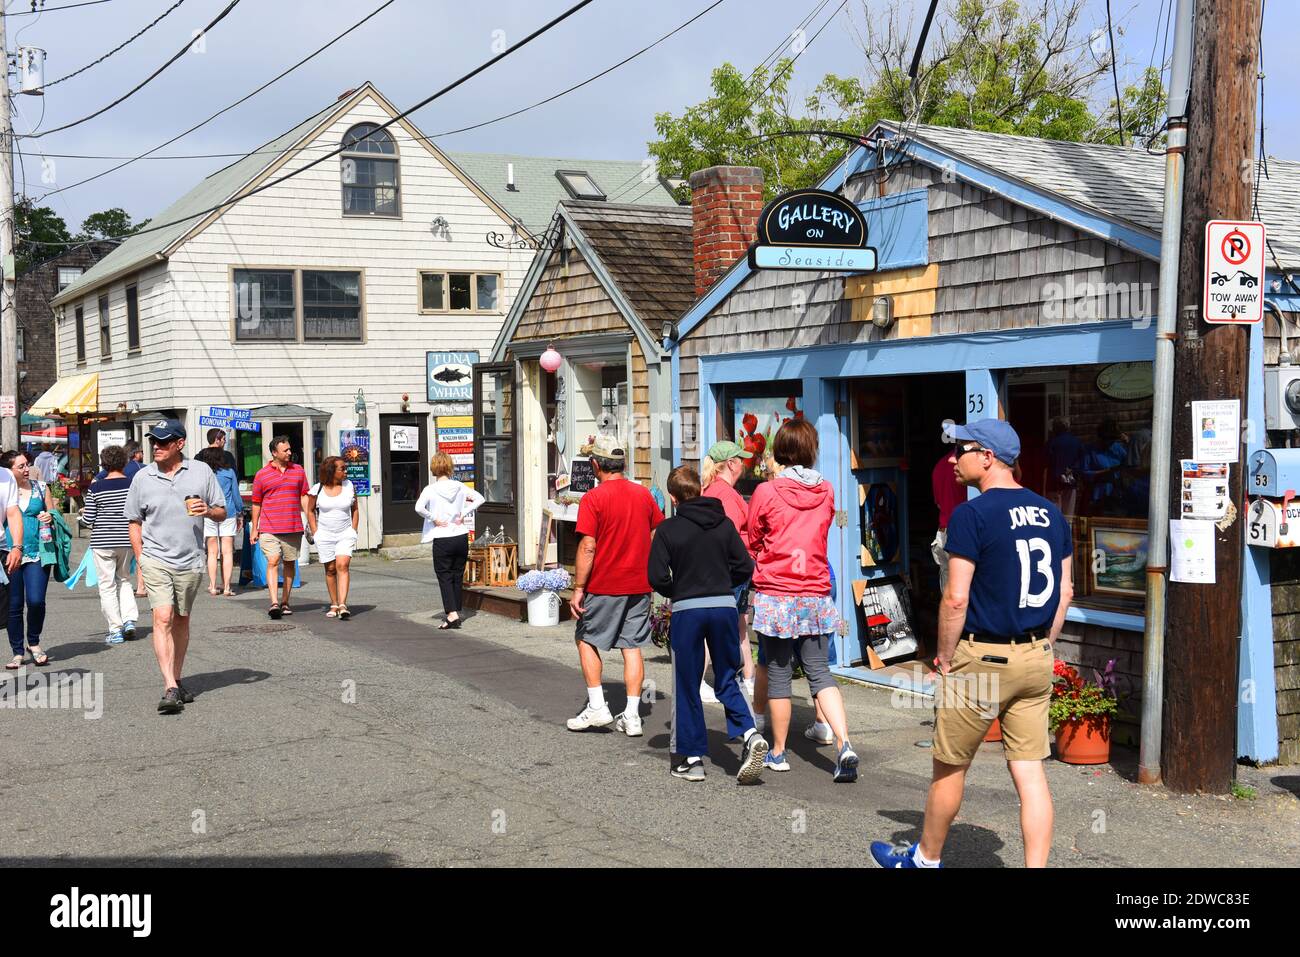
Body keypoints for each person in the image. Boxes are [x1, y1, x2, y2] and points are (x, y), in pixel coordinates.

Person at [871, 419, 1073, 869]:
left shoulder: (972, 514)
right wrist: (1043, 643)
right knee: (1030, 770)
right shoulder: (1052, 513)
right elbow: (1066, 592)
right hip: (1036, 656)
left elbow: (956, 596)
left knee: (949, 766)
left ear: (987, 456)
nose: (952, 458)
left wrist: (943, 657)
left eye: (961, 449)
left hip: (982, 659)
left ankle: (924, 859)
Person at [747, 418, 858, 782]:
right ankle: (844, 744)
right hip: (814, 590)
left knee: (778, 673)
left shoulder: (766, 492)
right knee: (819, 672)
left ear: (779, 449)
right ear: (812, 451)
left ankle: (778, 752)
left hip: (777, 593)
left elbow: (754, 536)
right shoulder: (826, 490)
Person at [649, 465, 767, 783]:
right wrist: (723, 585)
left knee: (687, 682)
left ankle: (690, 760)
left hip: (689, 609)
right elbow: (745, 566)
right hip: (724, 607)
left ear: (673, 498)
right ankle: (750, 734)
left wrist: (679, 590)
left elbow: (656, 576)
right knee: (728, 676)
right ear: (701, 491)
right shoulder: (724, 524)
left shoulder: (668, 530)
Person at [124, 419, 227, 714]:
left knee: (181, 619)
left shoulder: (201, 472)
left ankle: (177, 678)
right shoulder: (143, 478)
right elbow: (134, 520)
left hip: (190, 560)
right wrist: (141, 556)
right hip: (155, 558)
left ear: (179, 444)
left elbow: (222, 511)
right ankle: (169, 685)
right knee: (163, 616)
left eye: (163, 441)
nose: (156, 446)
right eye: (153, 441)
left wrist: (207, 510)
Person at [566, 438, 664, 735]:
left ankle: (597, 706)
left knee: (585, 637)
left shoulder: (594, 498)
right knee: (631, 646)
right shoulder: (644, 495)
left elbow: (587, 546)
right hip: (638, 582)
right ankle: (632, 716)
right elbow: (655, 530)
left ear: (596, 465)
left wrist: (579, 587)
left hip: (605, 583)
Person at [700, 440, 756, 698]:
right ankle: (724, 683)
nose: (744, 465)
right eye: (740, 460)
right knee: (726, 628)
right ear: (731, 464)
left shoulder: (711, 490)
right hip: (730, 572)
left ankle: (748, 681)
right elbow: (729, 537)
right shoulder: (727, 495)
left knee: (738, 626)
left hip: (720, 570)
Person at [415, 451, 484, 630]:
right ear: (449, 467)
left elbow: (419, 508)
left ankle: (451, 614)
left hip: (442, 536)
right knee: (457, 574)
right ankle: (455, 610)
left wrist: (433, 518)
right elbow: (480, 498)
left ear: (434, 468)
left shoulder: (430, 489)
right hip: (460, 535)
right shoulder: (460, 486)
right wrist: (464, 513)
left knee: (444, 575)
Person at [0, 451, 56, 668]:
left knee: (35, 600)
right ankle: (17, 651)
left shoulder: (41, 488)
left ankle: (34, 642)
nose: (26, 469)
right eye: (21, 466)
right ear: (8, 469)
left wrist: (51, 516)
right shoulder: (5, 488)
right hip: (9, 552)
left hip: (37, 552)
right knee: (13, 605)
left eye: (27, 465)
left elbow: (55, 513)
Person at [79, 445, 139, 644]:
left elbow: (88, 519)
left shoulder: (96, 487)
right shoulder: (133, 484)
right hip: (127, 538)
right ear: (124, 462)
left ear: (103, 463)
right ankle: (130, 619)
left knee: (107, 585)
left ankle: (115, 629)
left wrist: (81, 515)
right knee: (124, 580)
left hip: (103, 541)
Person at [250, 435, 309, 620]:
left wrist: (311, 520)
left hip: (292, 526)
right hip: (269, 527)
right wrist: (255, 528)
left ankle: (285, 601)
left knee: (290, 563)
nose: (290, 453)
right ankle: (274, 602)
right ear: (274, 453)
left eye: (290, 449)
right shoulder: (262, 474)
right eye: (286, 450)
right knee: (273, 560)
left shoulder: (298, 471)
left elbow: (304, 496)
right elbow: (256, 503)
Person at [309, 455, 361, 621]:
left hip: (345, 533)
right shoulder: (317, 489)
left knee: (342, 565)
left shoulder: (349, 486)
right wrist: (315, 532)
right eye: (342, 469)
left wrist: (353, 530)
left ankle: (343, 605)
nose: (346, 471)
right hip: (324, 535)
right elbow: (310, 511)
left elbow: (355, 509)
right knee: (330, 569)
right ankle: (334, 603)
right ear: (331, 471)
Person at [196, 447, 243, 596]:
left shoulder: (203, 475)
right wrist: (240, 512)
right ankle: (227, 587)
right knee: (227, 551)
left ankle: (212, 585)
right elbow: (235, 494)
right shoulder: (229, 473)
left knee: (211, 551)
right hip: (228, 512)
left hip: (208, 512)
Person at [932, 445, 967, 595]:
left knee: (948, 595)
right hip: (963, 534)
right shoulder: (967, 465)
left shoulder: (940, 464)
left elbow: (939, 503)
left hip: (943, 533)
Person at [1043, 418, 1083, 517]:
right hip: (1070, 481)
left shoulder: (1051, 443)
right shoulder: (1076, 442)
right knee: (1068, 514)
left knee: (1054, 514)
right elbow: (1081, 461)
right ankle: (1067, 531)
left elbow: (1045, 462)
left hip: (1054, 483)